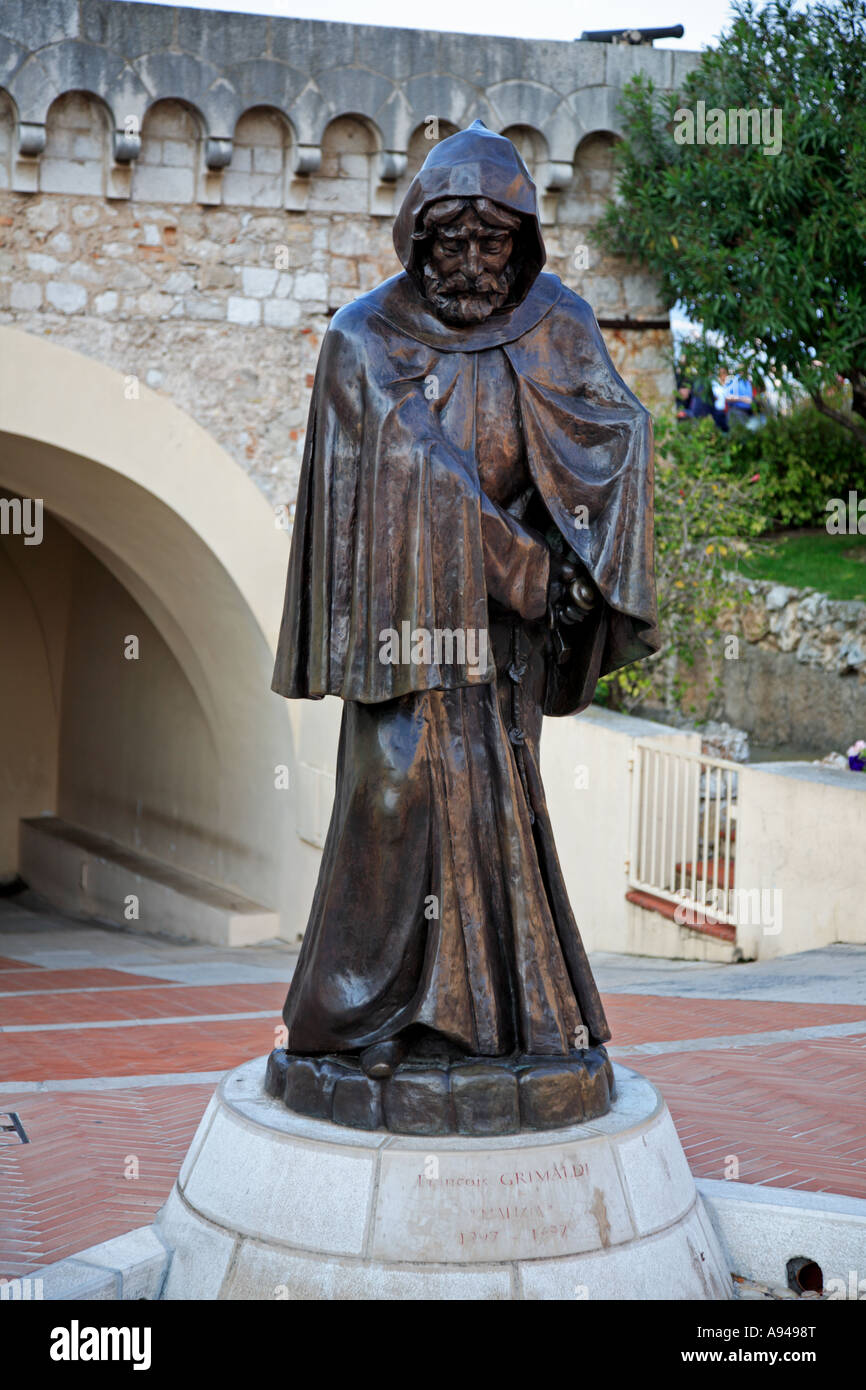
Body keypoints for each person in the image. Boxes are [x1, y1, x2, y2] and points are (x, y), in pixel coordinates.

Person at [271, 123, 659, 1087]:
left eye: (496, 242)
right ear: (418, 238)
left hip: (507, 639)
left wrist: (571, 543)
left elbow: (616, 430)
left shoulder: (554, 319)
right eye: (454, 243)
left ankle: (509, 1022)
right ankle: (361, 1014)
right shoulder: (364, 335)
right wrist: (523, 561)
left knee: (498, 798)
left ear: (522, 238)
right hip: (407, 619)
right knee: (393, 795)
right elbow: (407, 463)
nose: (476, 264)